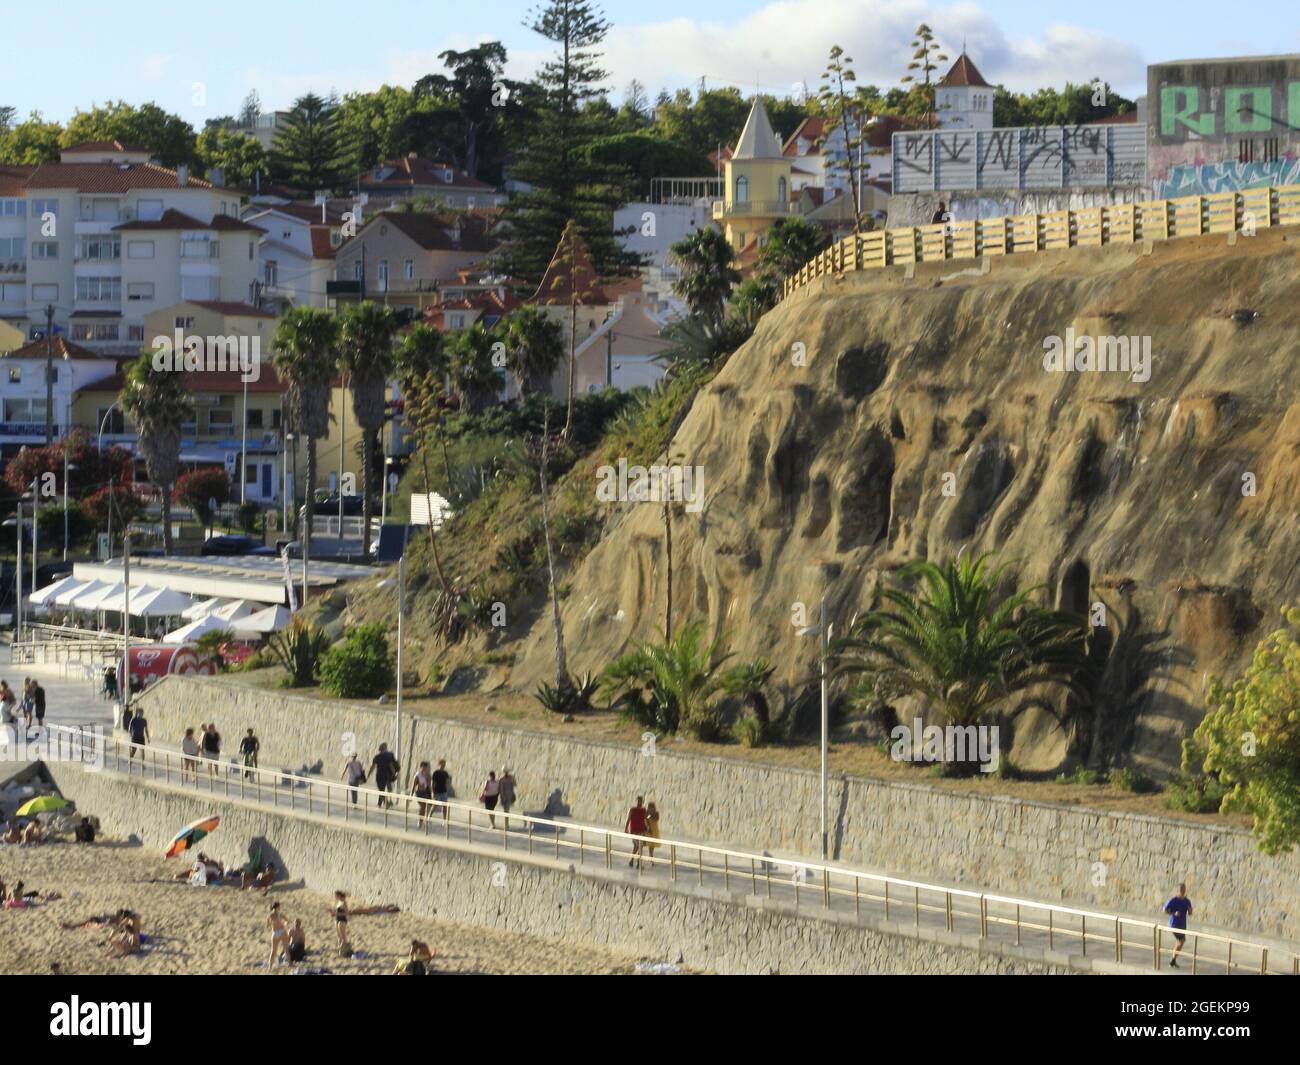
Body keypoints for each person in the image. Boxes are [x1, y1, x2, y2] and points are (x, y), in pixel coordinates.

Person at [1164, 882, 1194, 968]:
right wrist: (1174, 913)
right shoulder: (1173, 900)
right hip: (1174, 924)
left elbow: (1190, 913)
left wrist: (1190, 910)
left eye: (1184, 889)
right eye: (1181, 889)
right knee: (1181, 941)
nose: (1183, 891)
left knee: (1180, 942)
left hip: (1183, 925)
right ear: (1177, 890)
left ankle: (1173, 961)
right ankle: (1172, 961)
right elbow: (1165, 910)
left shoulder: (1187, 901)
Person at [370, 744, 398, 808]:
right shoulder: (387, 756)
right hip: (386, 776)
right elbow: (391, 767)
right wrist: (394, 775)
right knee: (382, 790)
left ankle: (384, 802)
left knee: (381, 790)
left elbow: (372, 767)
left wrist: (369, 774)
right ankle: (383, 802)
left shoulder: (378, 757)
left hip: (380, 776)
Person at [625, 797, 649, 868]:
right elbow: (628, 819)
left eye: (640, 801)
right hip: (634, 831)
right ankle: (638, 863)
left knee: (637, 846)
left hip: (641, 830)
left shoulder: (644, 810)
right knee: (639, 846)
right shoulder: (632, 809)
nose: (639, 803)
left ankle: (632, 861)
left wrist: (648, 827)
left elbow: (645, 819)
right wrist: (626, 828)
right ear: (636, 801)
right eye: (638, 801)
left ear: (642, 802)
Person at [410, 761, 433, 826]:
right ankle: (420, 821)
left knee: (424, 806)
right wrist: (411, 795)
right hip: (419, 792)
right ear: (421, 767)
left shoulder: (427, 775)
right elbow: (413, 785)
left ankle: (421, 820)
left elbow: (429, 785)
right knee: (422, 806)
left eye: (426, 768)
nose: (425, 769)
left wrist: (432, 792)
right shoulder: (417, 775)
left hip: (425, 792)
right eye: (424, 768)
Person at [267, 902, 290, 967]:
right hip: (281, 931)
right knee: (286, 949)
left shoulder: (270, 915)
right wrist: (284, 924)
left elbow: (268, 925)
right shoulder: (280, 914)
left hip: (275, 932)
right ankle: (289, 963)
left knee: (273, 951)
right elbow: (287, 921)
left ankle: (270, 966)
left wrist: (273, 924)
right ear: (277, 907)